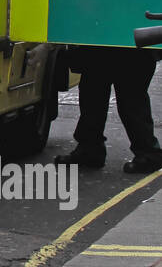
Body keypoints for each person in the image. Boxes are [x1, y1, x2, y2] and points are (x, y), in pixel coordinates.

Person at [55, 45, 162, 174]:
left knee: (131, 99)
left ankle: (148, 153)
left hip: (128, 46)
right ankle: (90, 148)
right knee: (92, 97)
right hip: (105, 45)